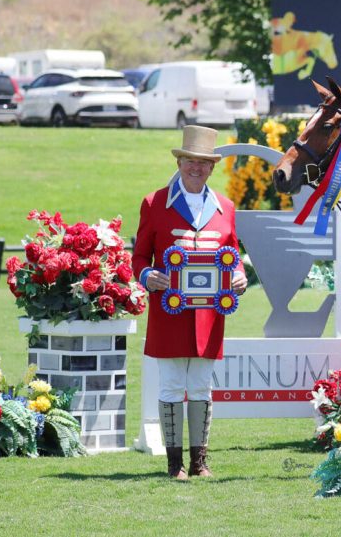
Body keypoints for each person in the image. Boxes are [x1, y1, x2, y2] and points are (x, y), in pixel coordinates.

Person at [132, 125, 248, 480]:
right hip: (169, 312)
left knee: (201, 386)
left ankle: (199, 462)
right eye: (189, 161)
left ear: (212, 167)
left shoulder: (225, 207)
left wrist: (240, 275)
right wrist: (148, 277)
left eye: (203, 163)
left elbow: (233, 254)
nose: (196, 168)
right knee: (169, 385)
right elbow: (138, 258)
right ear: (179, 162)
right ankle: (173, 464)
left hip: (209, 314)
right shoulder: (154, 202)